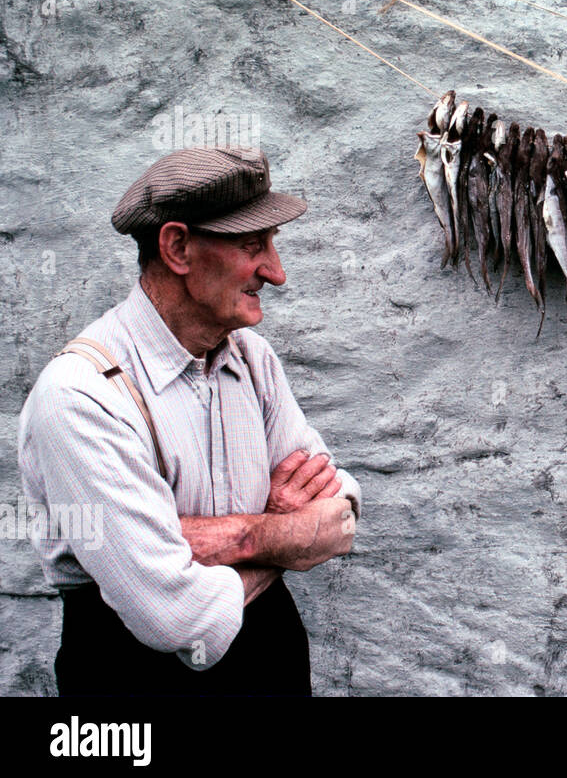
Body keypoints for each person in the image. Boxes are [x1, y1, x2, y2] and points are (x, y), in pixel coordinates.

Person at [17, 145, 361, 695]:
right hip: (135, 685)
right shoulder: (80, 396)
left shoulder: (253, 359)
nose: (276, 272)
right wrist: (275, 530)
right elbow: (175, 618)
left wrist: (214, 540)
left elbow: (342, 517)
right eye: (254, 246)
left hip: (272, 663)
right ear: (177, 247)